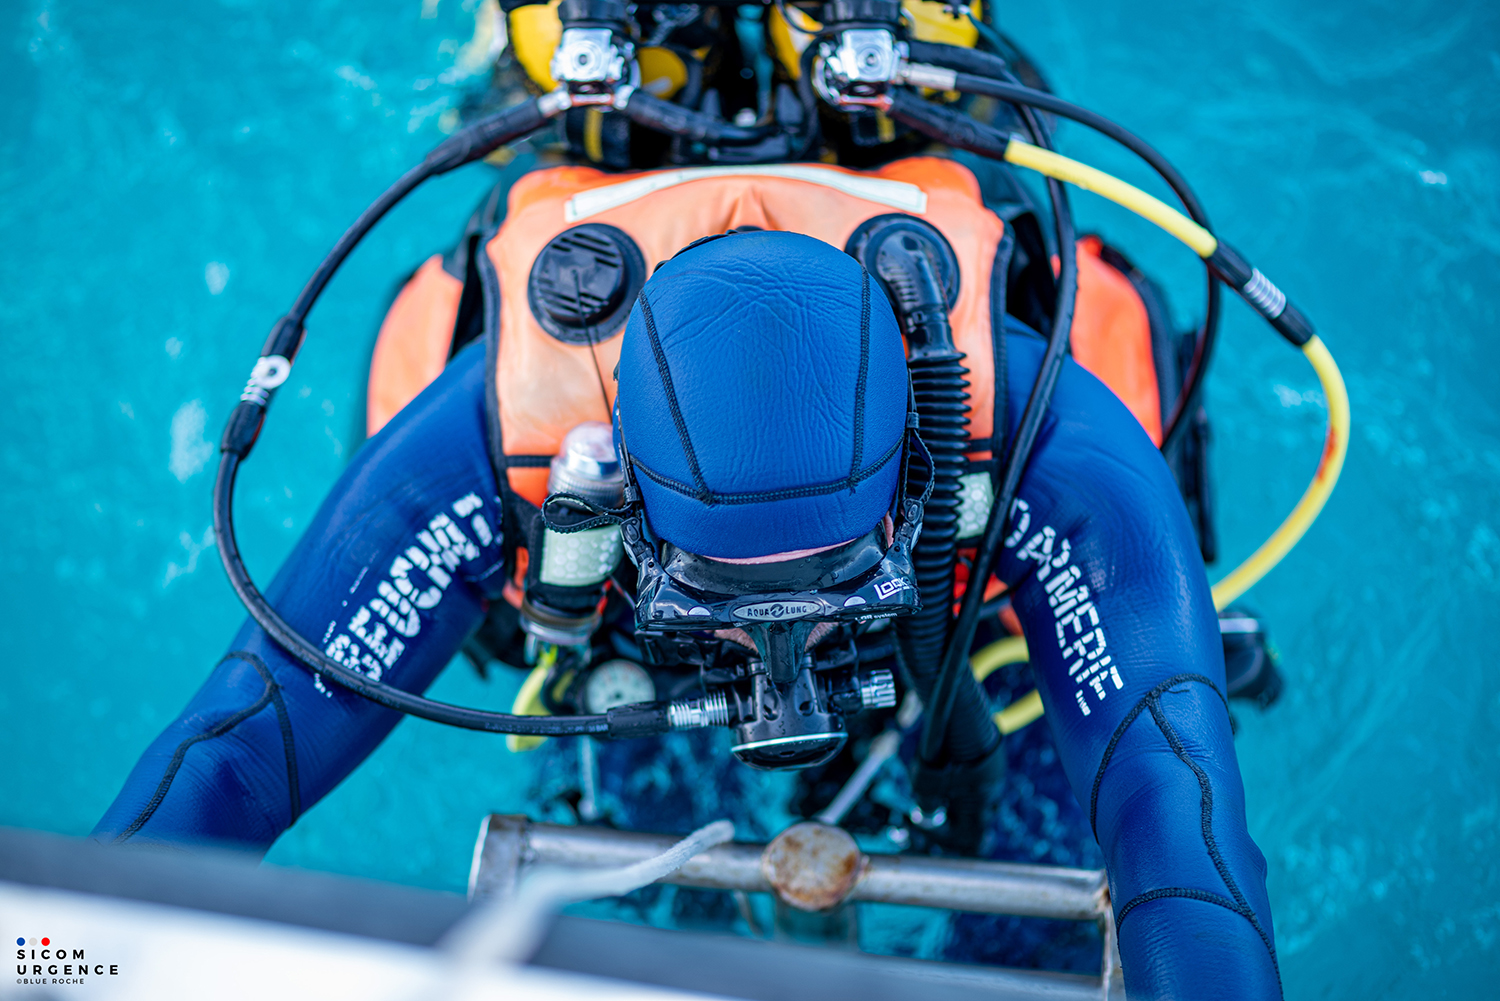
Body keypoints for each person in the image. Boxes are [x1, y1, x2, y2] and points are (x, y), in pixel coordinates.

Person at [96, 5, 1283, 997]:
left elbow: (1174, 821)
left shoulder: (1035, 435)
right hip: (652, 668)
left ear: (919, 455)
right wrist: (62, 963)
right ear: (619, 486)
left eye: (829, 590)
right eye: (720, 596)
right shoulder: (497, 430)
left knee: (1033, 938)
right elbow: (239, 754)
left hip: (964, 631)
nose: (782, 658)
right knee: (643, 900)